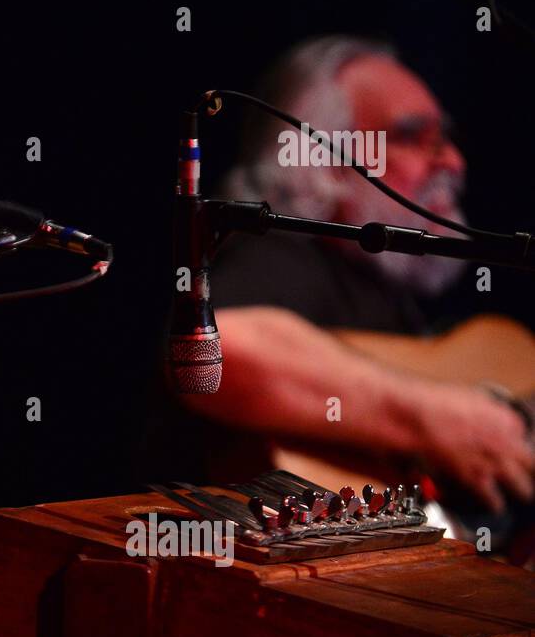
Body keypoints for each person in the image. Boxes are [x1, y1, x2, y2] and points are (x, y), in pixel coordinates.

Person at [150, 35, 534, 552]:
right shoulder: (283, 254)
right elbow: (221, 350)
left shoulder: (385, 290)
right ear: (321, 159)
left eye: (448, 137)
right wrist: (439, 420)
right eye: (413, 136)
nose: (454, 161)